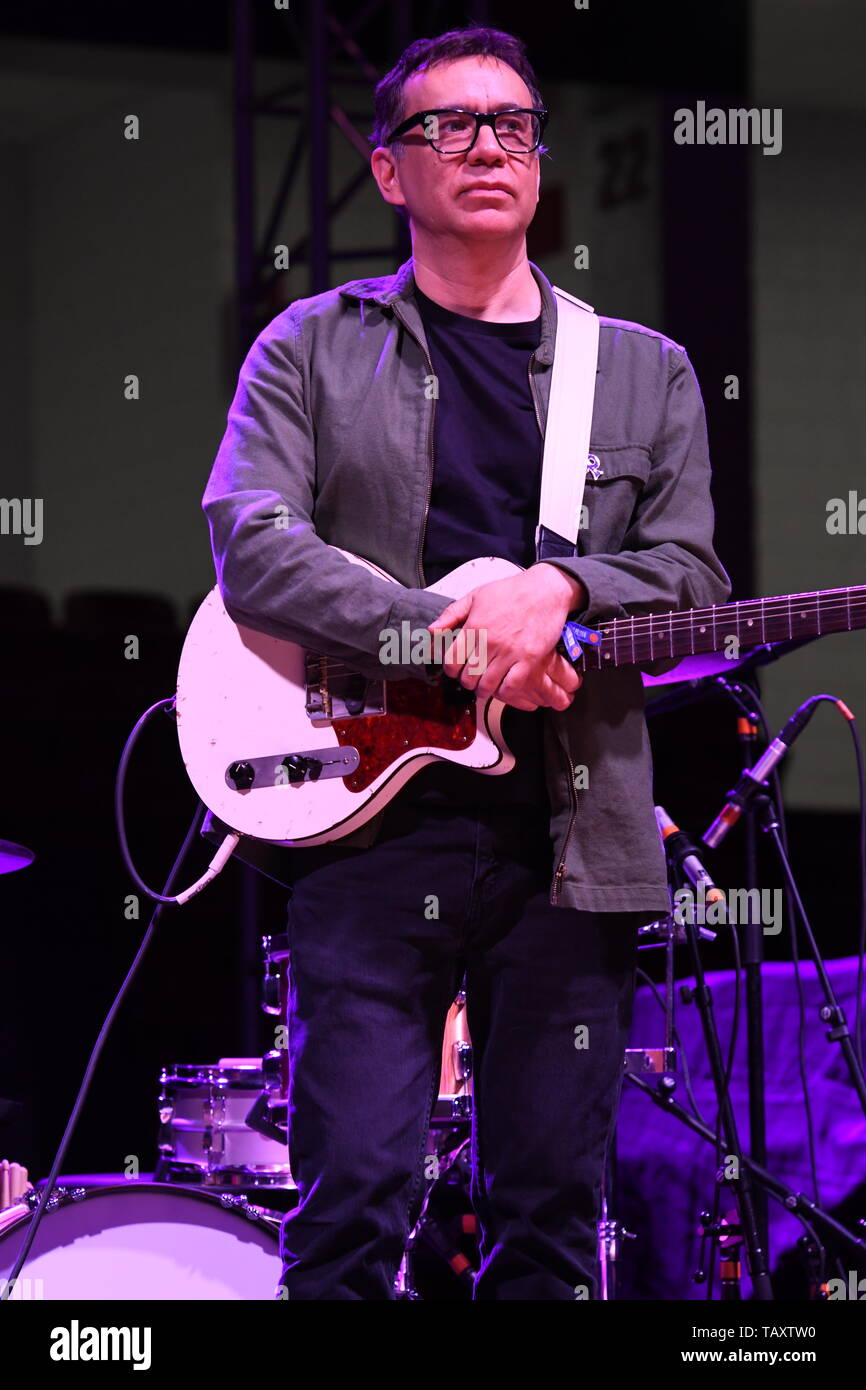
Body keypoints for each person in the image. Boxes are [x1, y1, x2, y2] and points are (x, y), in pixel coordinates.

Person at [202, 25, 731, 1300]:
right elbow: (253, 545)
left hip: (575, 835)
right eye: (448, 125)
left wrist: (557, 589)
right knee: (349, 1209)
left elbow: (696, 587)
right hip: (368, 829)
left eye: (512, 125)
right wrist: (440, 633)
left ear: (538, 166)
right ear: (388, 172)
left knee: (550, 1221)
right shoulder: (312, 347)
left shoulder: (643, 371)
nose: (486, 145)